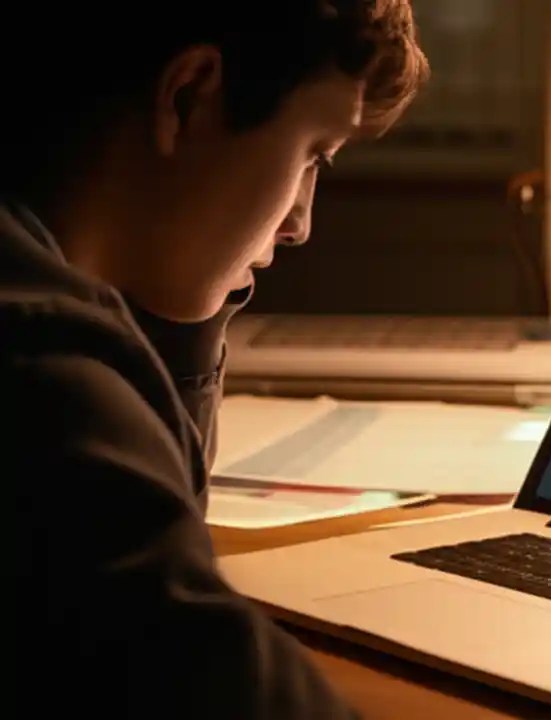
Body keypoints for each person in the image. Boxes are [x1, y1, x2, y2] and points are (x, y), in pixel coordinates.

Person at [1, 2, 428, 717]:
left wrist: (191, 297)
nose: (300, 224)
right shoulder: (43, 394)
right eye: (313, 152)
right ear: (189, 95)